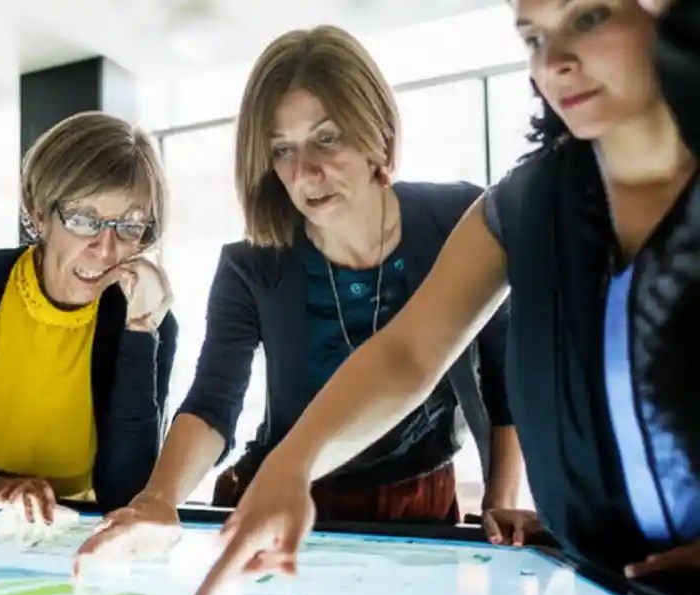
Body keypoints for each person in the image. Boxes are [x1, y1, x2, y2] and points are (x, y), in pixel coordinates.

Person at [185, 0, 700, 595]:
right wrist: (292, 464)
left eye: (587, 18)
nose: (554, 63)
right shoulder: (523, 205)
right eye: (532, 38)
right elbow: (408, 352)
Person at [75, 26, 523, 567]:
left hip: (421, 497)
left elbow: (506, 382)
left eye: (327, 138)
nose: (305, 172)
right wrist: (160, 498)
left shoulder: (461, 222)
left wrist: (500, 503)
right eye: (282, 149)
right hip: (285, 496)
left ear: (378, 132)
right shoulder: (250, 264)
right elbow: (213, 404)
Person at [0, 111, 177, 522]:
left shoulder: (146, 322)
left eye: (128, 226)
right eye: (84, 220)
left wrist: (141, 330)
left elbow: (126, 490)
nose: (107, 250)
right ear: (39, 213)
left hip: (73, 542)